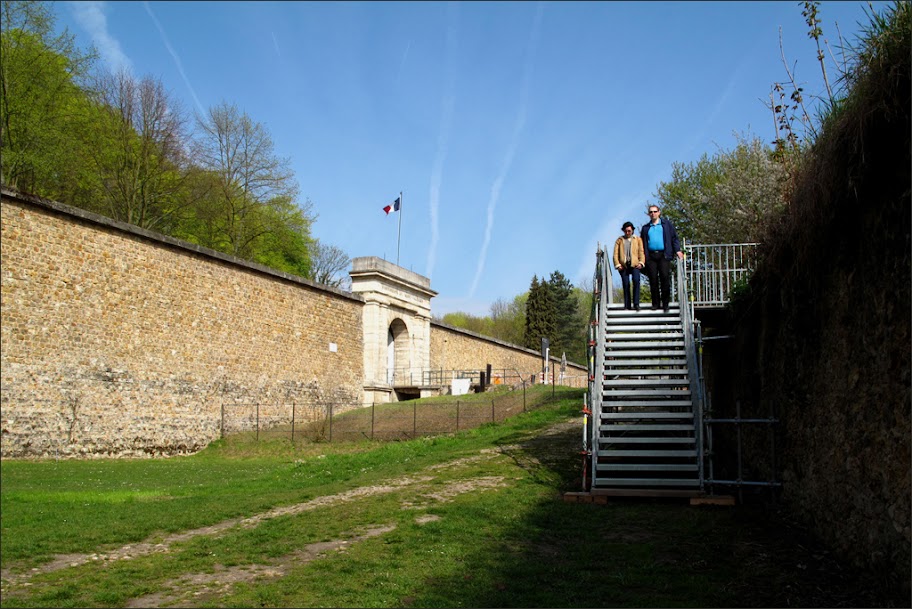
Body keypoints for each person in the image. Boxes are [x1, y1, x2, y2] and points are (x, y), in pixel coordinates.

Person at [640, 204, 684, 312]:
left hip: (664, 255)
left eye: (655, 211)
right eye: (651, 212)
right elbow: (642, 243)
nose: (653, 214)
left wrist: (677, 250)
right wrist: (642, 257)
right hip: (651, 256)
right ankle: (655, 304)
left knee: (664, 278)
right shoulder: (646, 228)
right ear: (648, 214)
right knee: (653, 280)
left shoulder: (666, 225)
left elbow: (674, 238)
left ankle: (665, 304)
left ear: (659, 212)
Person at [612, 221, 645, 310]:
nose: (627, 233)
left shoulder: (637, 240)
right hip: (624, 265)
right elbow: (615, 254)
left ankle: (636, 304)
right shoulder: (619, 240)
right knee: (626, 284)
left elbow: (641, 252)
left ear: (632, 230)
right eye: (626, 231)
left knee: (636, 280)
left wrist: (641, 262)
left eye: (629, 231)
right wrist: (618, 265)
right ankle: (627, 305)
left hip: (635, 264)